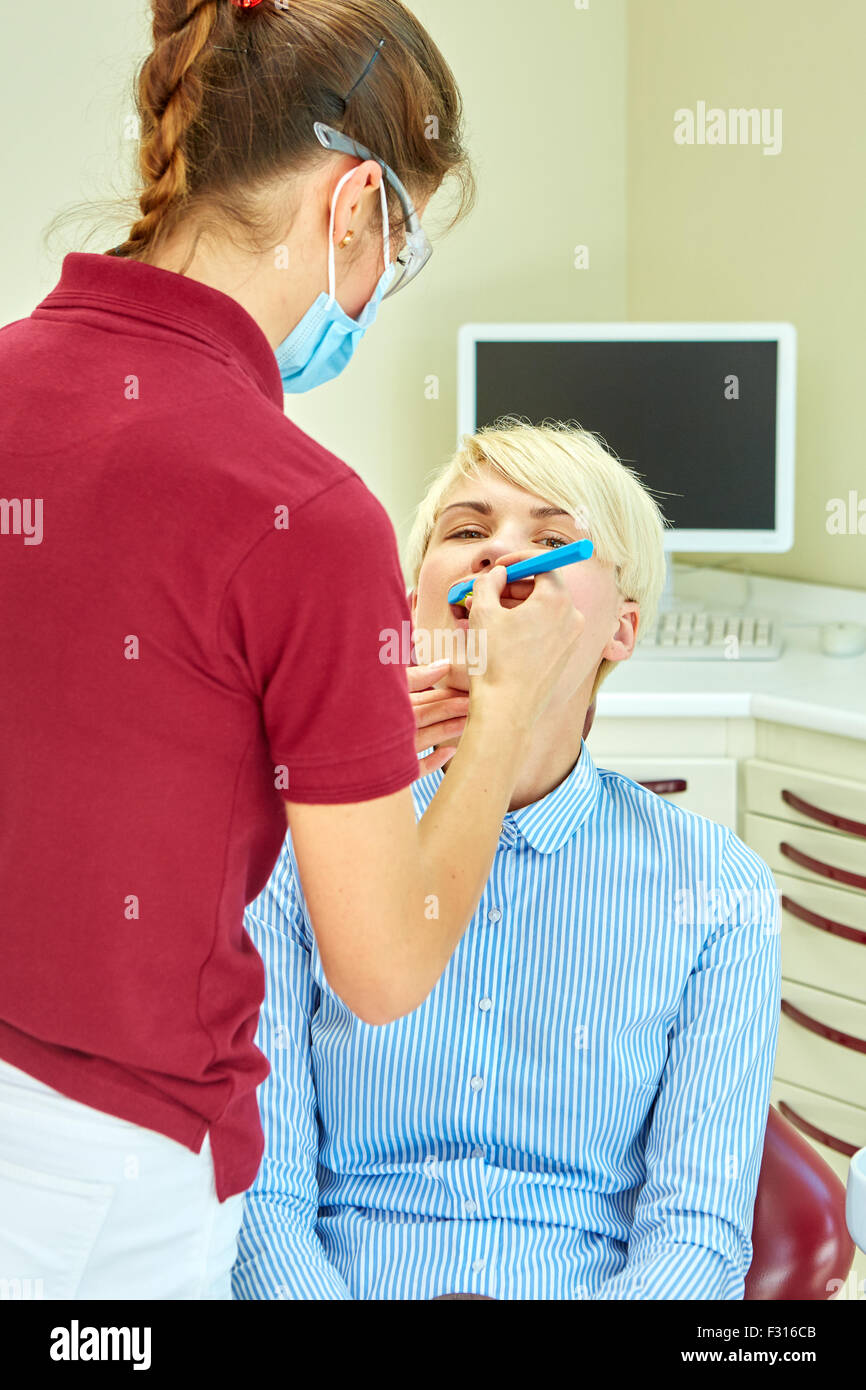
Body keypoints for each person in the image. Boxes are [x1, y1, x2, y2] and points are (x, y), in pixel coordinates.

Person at [0, 2, 581, 1299]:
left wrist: (309, 740)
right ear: (353, 202)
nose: (372, 294)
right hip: (106, 1171)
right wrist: (502, 717)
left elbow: (77, 718)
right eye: (397, 253)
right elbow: (382, 964)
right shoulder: (304, 512)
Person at [232, 420, 782, 1301]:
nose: (500, 555)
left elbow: (695, 1237)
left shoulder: (719, 892)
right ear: (411, 605)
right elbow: (263, 1200)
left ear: (620, 629)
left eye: (553, 537)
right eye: (467, 530)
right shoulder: (290, 854)